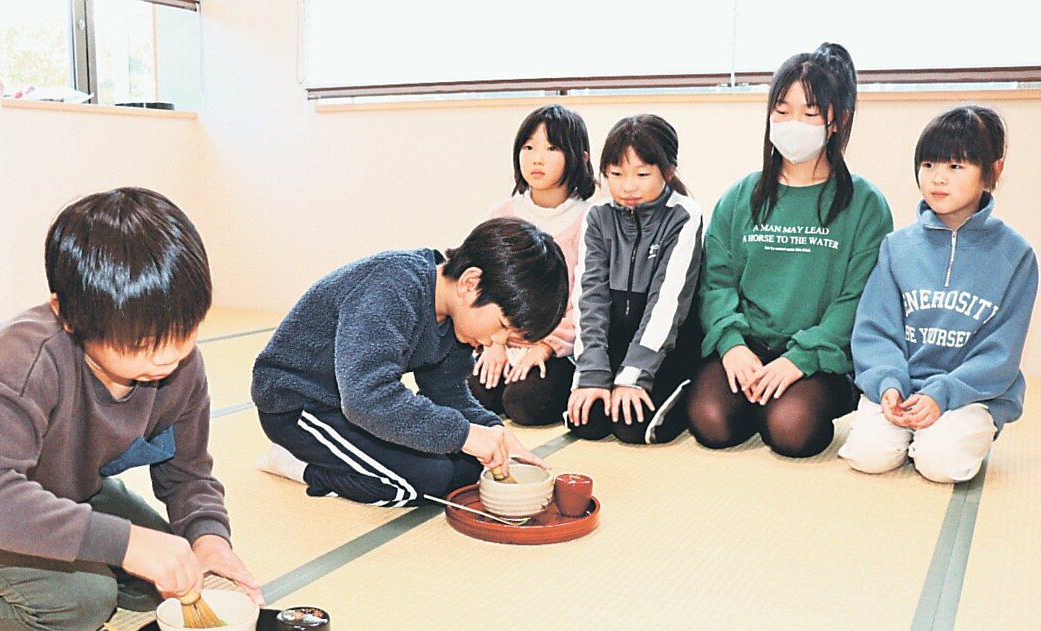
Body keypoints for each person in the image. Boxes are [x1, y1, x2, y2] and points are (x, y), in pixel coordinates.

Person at [0, 187, 263, 631]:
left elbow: (188, 471)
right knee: (79, 604)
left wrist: (207, 538)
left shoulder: (180, 366)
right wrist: (126, 544)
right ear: (68, 316)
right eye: (140, 344)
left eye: (185, 333)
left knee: (167, 576)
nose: (168, 357)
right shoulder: (23, 362)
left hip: (52, 487)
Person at [252, 218, 568, 506]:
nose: (494, 343)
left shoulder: (458, 321)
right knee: (422, 484)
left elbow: (448, 396)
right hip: (299, 404)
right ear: (470, 283)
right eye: (501, 327)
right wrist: (466, 435)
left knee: (467, 470)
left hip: (353, 405)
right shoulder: (393, 286)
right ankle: (298, 465)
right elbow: (367, 398)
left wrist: (495, 432)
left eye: (510, 341)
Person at [688, 43, 894, 458]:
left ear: (837, 121)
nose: (791, 124)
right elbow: (716, 281)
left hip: (819, 356)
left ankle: (772, 407)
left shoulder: (866, 205)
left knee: (790, 430)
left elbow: (858, 299)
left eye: (809, 113)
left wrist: (800, 359)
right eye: (781, 111)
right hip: (749, 345)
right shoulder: (741, 196)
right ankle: (751, 400)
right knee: (712, 422)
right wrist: (732, 345)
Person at [839, 106, 1038, 482]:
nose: (938, 179)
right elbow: (875, 330)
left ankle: (950, 436)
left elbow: (1001, 352)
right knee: (869, 456)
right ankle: (909, 431)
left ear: (992, 171)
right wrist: (888, 384)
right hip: (902, 389)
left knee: (941, 464)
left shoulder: (1016, 255)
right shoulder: (896, 248)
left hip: (970, 395)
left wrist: (943, 394)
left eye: (956, 166)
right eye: (929, 165)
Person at [566, 113, 704, 445]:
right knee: (588, 423)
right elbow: (590, 298)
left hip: (665, 345)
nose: (628, 186)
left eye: (642, 174)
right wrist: (593, 375)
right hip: (615, 340)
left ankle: (690, 388)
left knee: (634, 428)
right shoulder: (597, 218)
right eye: (616, 174)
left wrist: (633, 376)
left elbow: (667, 304)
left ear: (668, 172)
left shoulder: (684, 216)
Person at [469, 104, 596, 425]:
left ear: (578, 156)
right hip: (499, 341)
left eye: (551, 148)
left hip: (558, 348)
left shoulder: (591, 220)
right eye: (528, 146)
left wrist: (545, 347)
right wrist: (492, 343)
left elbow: (589, 301)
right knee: (474, 398)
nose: (536, 158)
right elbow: (480, 287)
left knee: (524, 404)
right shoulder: (501, 214)